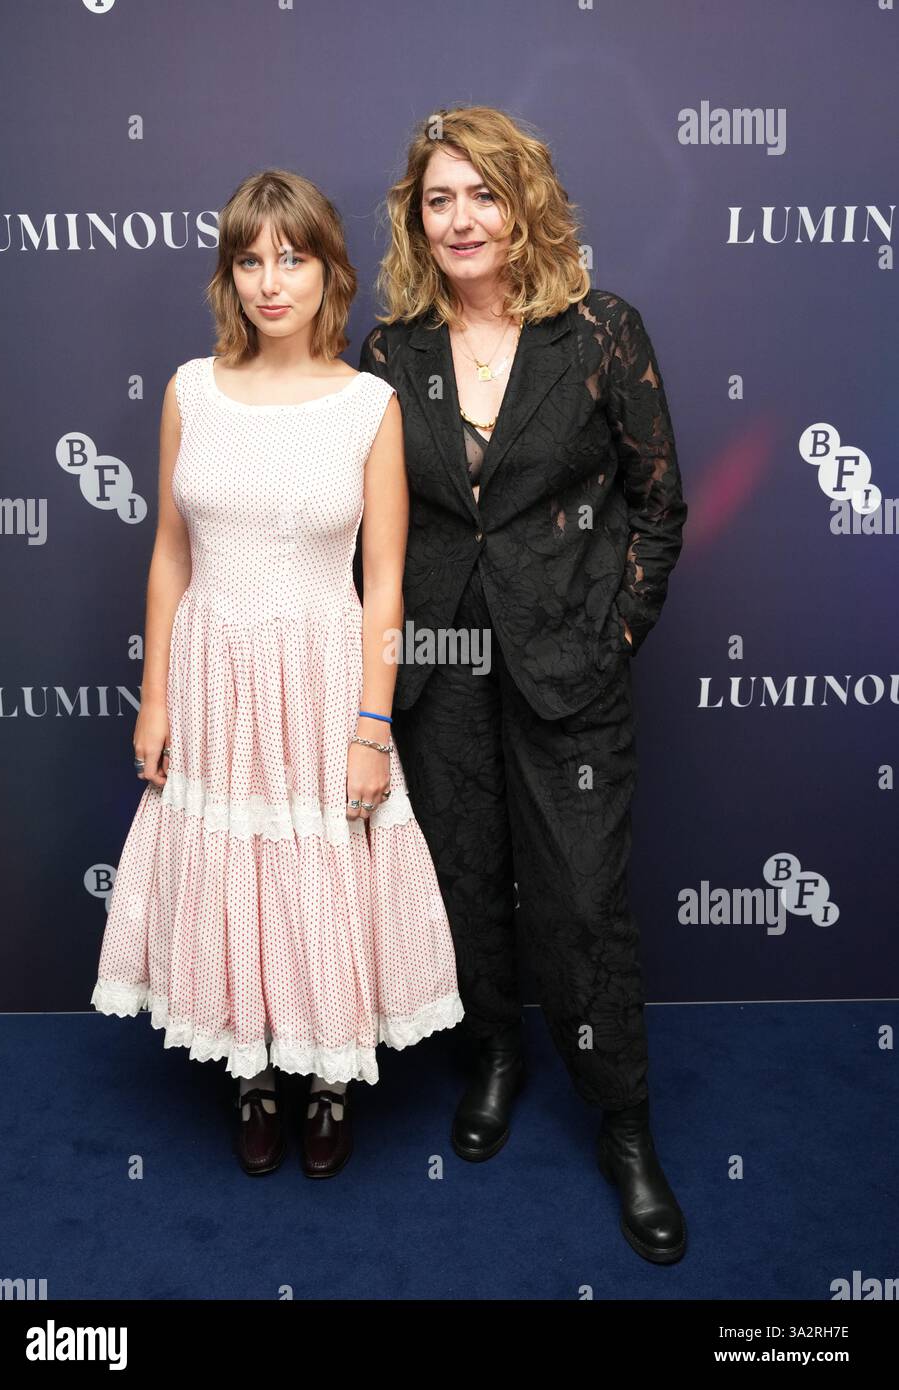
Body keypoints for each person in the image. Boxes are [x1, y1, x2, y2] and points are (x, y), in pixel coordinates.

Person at [359, 106, 689, 1262]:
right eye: (437, 199)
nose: (460, 219)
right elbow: (375, 525)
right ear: (417, 216)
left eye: (481, 194)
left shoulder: (598, 330)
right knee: (463, 880)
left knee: (583, 901)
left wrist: (613, 634)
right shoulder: (393, 350)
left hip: (568, 665)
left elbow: (658, 499)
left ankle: (625, 1124)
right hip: (441, 667)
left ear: (523, 203)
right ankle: (493, 1057)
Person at [91, 169, 463, 1179]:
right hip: (213, 675)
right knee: (234, 871)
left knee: (321, 874)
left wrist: (369, 727)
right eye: (249, 260)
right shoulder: (189, 391)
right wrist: (156, 695)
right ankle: (252, 1075)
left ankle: (328, 1083)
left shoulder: (368, 404)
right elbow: (170, 552)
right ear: (229, 276)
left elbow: (384, 582)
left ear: (326, 271)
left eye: (291, 258)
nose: (269, 281)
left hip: (319, 676)